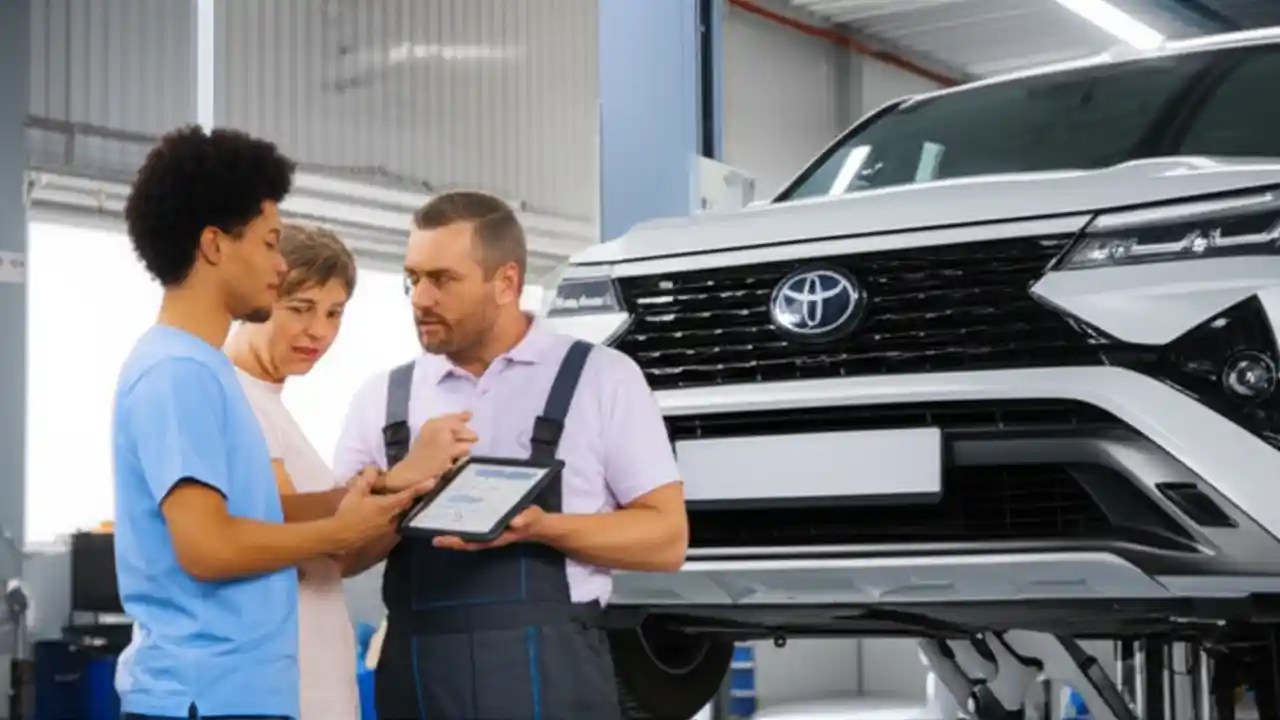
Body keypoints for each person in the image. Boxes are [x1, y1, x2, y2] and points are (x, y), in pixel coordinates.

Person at [111, 126, 472, 720]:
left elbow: (260, 516)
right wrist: (340, 531)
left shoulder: (205, 372)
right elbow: (206, 546)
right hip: (206, 696)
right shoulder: (177, 371)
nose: (280, 267)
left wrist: (376, 491)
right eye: (270, 243)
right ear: (214, 245)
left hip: (244, 693)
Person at [332, 190, 689, 719]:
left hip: (555, 673)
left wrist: (542, 527)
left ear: (507, 282)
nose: (420, 298)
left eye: (443, 279)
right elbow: (341, 555)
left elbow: (665, 541)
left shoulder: (601, 379)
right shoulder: (384, 399)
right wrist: (402, 484)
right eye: (414, 277)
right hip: (419, 678)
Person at [223, 223, 398, 719]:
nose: (318, 331)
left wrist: (417, 497)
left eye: (334, 313)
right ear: (258, 298)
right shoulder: (230, 396)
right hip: (265, 691)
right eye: (299, 308)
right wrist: (390, 486)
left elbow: (335, 557)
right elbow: (291, 536)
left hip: (311, 687)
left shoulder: (271, 405)